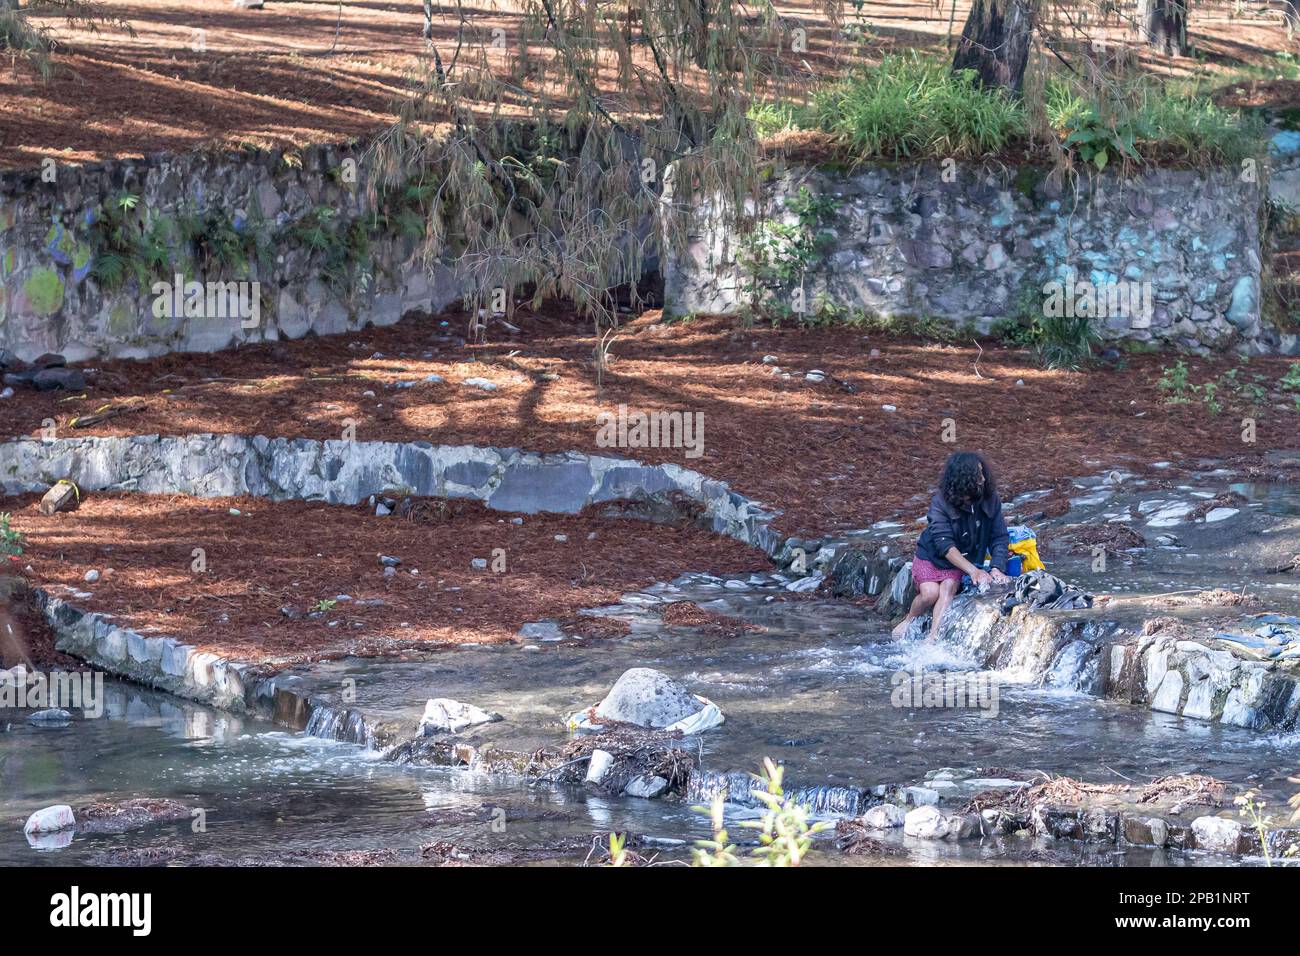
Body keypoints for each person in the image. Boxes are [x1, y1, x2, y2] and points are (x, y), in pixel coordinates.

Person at [891, 451, 1011, 641]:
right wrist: (973, 571)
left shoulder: (990, 500)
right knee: (930, 594)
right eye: (977, 475)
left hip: (959, 562)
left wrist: (997, 567)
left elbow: (999, 537)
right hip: (932, 556)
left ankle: (932, 639)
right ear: (963, 479)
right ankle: (908, 619)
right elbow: (944, 544)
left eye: (983, 473)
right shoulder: (940, 503)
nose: (983, 479)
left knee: (948, 587)